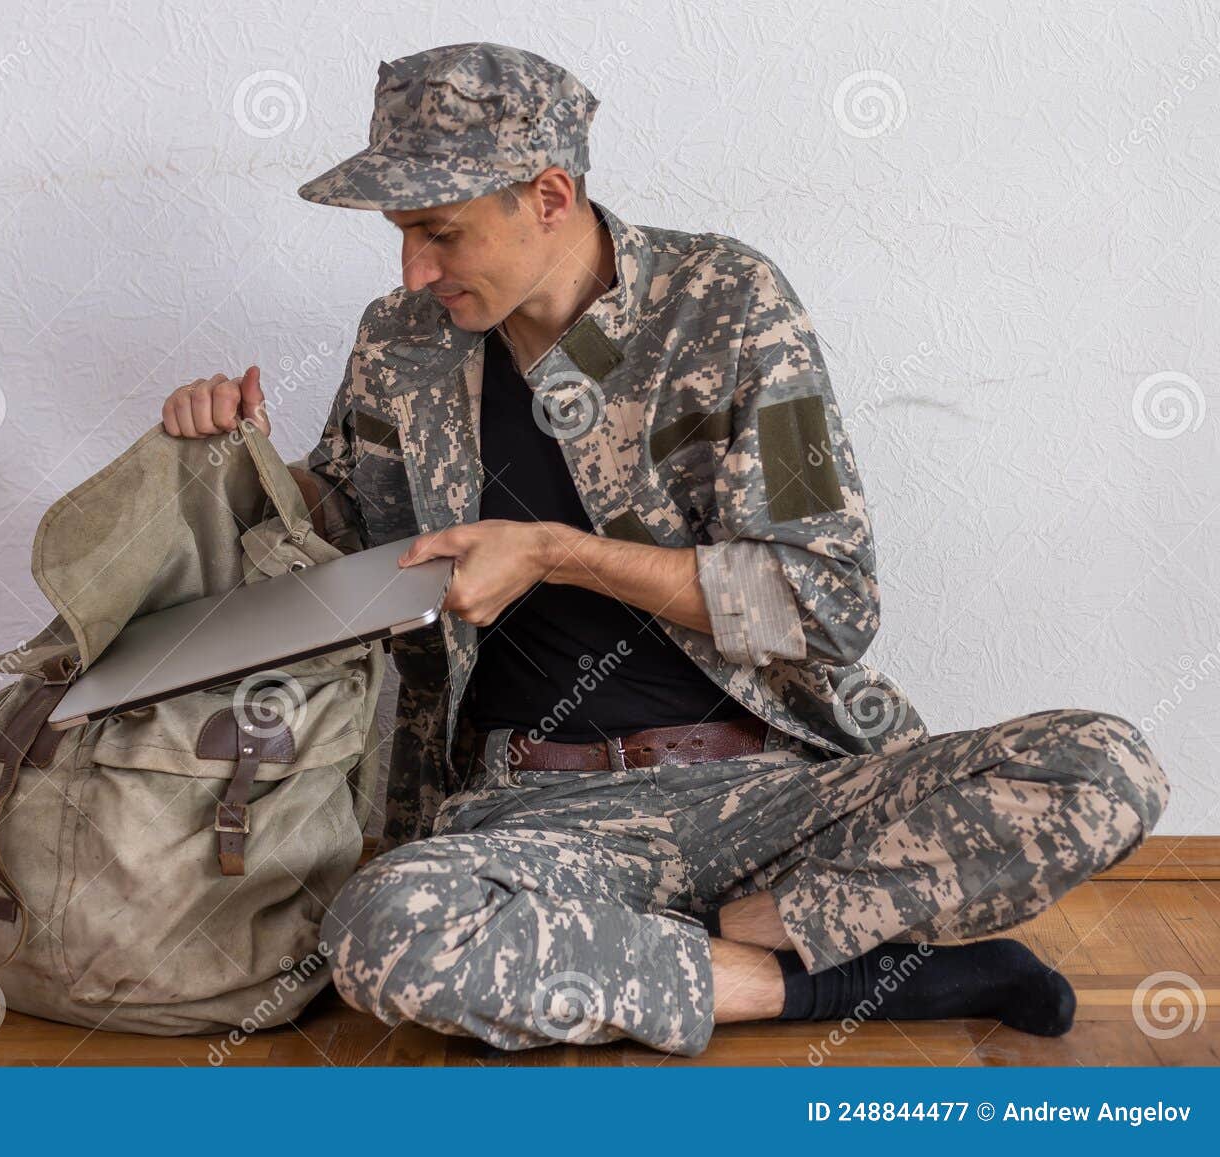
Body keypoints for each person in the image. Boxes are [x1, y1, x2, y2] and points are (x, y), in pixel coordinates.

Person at [159, 42, 1169, 1055]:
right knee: (382, 934)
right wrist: (246, 465)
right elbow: (347, 531)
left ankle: (695, 944)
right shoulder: (403, 341)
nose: (415, 269)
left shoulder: (728, 303)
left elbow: (825, 605)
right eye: (401, 235)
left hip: (778, 791)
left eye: (440, 232)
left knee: (1104, 764)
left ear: (548, 195)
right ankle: (837, 975)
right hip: (538, 809)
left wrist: (558, 551)